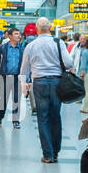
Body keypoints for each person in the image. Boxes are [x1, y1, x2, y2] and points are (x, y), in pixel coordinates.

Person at [21, 17, 68, 163]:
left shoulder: (31, 45)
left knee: (43, 118)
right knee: (56, 116)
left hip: (39, 82)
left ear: (36, 29)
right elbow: (69, 62)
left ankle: (48, 154)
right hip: (56, 81)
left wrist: (25, 85)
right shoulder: (58, 43)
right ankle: (56, 151)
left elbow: (24, 68)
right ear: (50, 28)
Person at [0, 25, 25, 127]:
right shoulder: (2, 48)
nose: (18, 36)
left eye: (19, 34)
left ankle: (15, 120)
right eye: (16, 34)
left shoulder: (22, 49)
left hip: (17, 78)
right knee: (3, 99)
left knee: (16, 99)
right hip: (5, 77)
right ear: (10, 36)